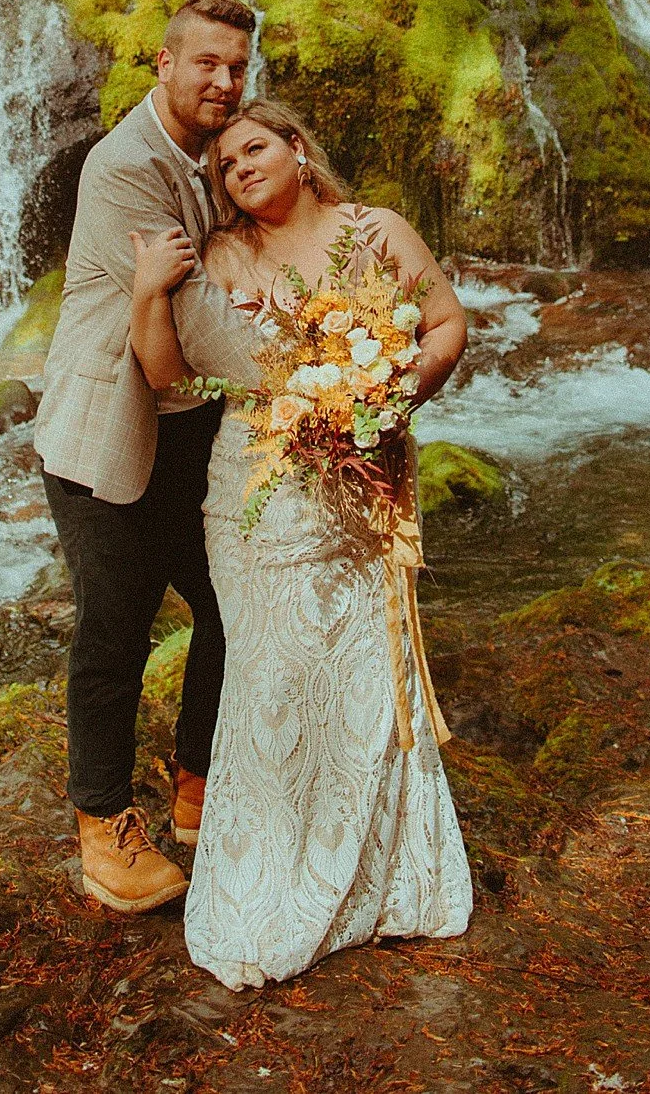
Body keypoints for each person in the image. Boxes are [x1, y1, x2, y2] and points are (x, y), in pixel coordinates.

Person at [128, 96, 474, 989]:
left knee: (362, 675)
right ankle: (270, 885)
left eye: (254, 150)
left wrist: (394, 396)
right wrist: (145, 293)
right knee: (272, 682)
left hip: (361, 485)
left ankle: (377, 879)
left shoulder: (376, 229)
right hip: (259, 491)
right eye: (225, 168)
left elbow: (446, 323)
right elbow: (171, 372)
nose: (240, 170)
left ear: (296, 145)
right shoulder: (221, 256)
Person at [34, 0, 263, 915]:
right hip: (110, 437)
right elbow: (192, 310)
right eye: (207, 62)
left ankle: (198, 780)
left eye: (238, 67)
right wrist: (312, 366)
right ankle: (101, 827)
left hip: (189, 430)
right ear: (164, 64)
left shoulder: (222, 149)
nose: (223, 81)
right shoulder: (124, 165)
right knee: (113, 632)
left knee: (231, 605)